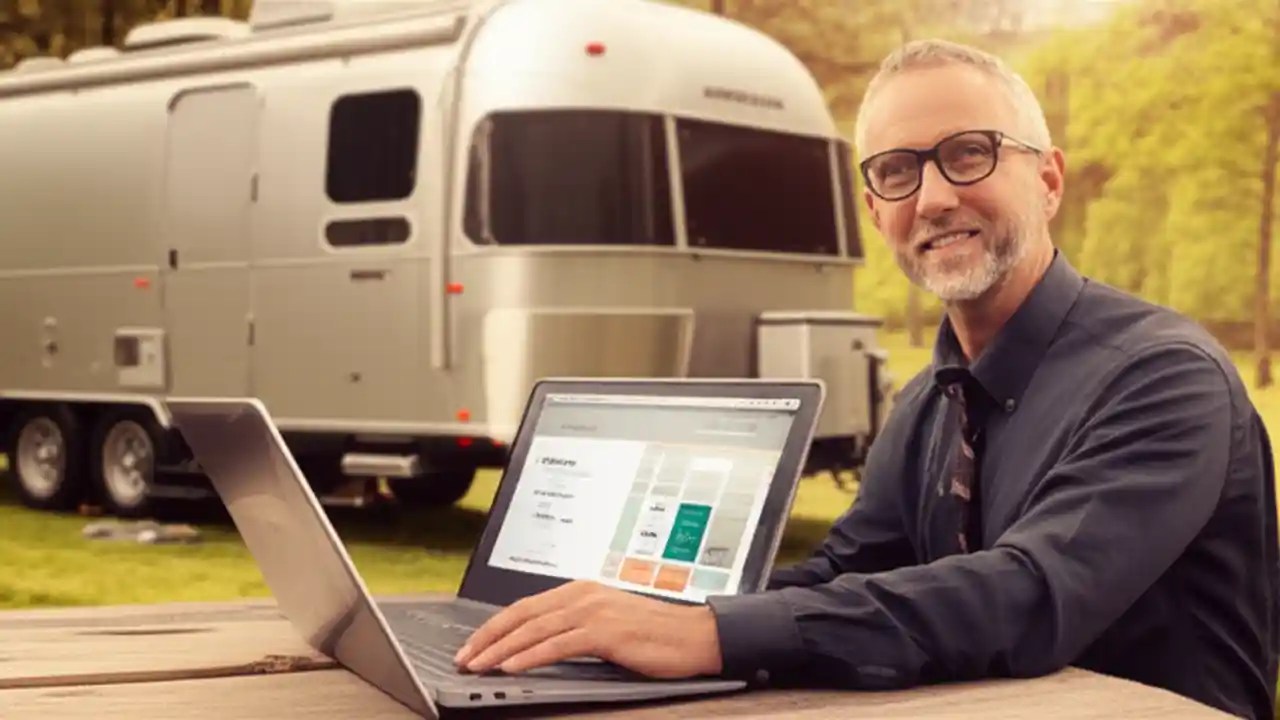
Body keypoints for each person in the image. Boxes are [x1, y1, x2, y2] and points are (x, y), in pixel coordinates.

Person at [454, 39, 1280, 719]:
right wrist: (646, 618)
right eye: (897, 171)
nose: (933, 197)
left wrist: (712, 636)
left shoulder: (1164, 378)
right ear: (875, 209)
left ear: (1049, 180)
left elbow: (1030, 595)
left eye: (968, 154)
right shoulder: (928, 402)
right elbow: (844, 573)